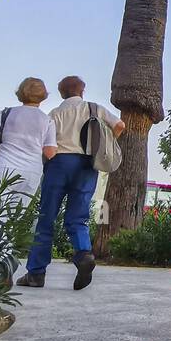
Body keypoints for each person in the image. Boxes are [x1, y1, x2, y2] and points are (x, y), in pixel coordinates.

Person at [18, 75, 124, 291]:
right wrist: (106, 142)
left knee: (46, 217)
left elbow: (45, 144)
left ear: (60, 93)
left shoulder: (54, 114)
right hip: (87, 164)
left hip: (58, 163)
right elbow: (120, 125)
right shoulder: (95, 109)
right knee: (78, 217)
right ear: (82, 91)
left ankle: (36, 273)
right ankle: (84, 254)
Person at [0, 77, 57, 284]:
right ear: (43, 96)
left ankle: (0, 265)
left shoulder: (6, 113)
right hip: (31, 172)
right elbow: (50, 151)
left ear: (20, 93)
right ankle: (4, 264)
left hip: (3, 166)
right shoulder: (47, 120)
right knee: (11, 217)